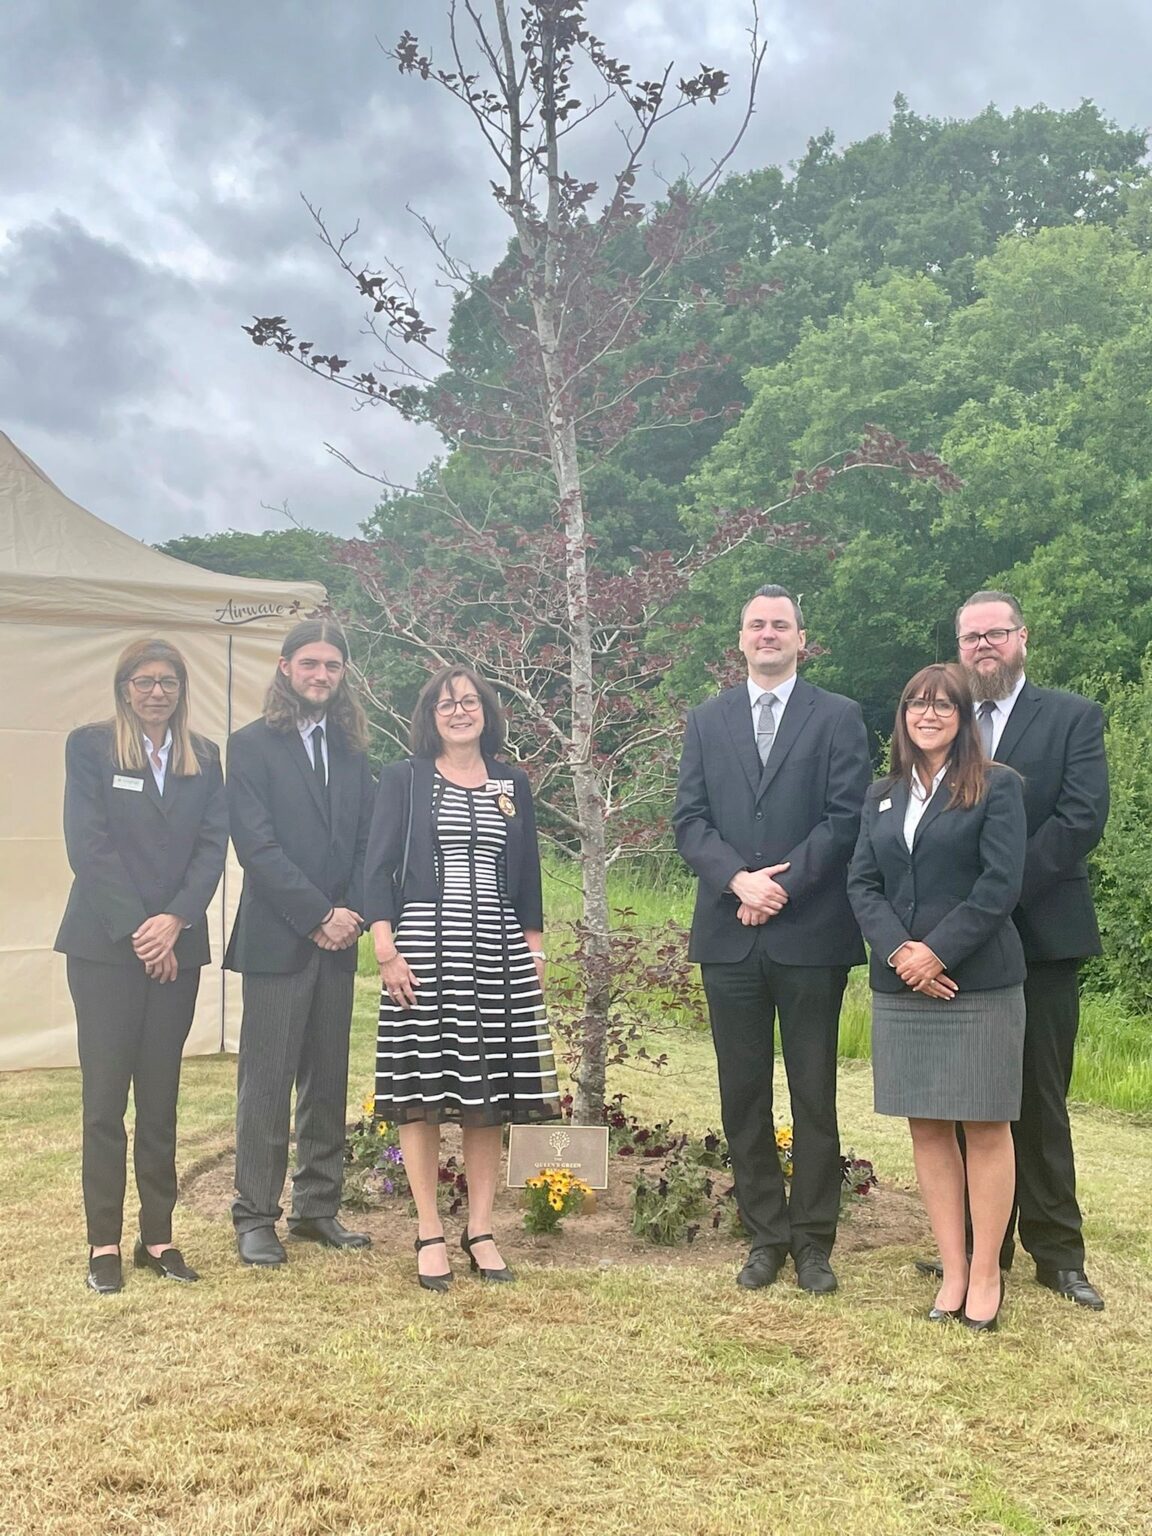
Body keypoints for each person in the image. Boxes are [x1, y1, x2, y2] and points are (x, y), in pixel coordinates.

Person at [673, 585, 871, 1295]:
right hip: (730, 939)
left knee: (815, 1095)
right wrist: (738, 882)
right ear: (740, 639)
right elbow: (690, 821)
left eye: (779, 625)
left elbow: (846, 819)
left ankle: (815, 1242)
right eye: (755, 624)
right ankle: (766, 1237)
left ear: (800, 638)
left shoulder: (840, 717)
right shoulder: (707, 720)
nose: (767, 634)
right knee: (742, 1095)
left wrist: (778, 888)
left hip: (811, 936)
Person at [926, 590, 1108, 1311]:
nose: (983, 647)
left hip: (1041, 937)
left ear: (1022, 638)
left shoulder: (1071, 717)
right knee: (971, 1097)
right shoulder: (940, 722)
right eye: (971, 637)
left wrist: (998, 896)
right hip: (962, 948)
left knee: (1039, 1098)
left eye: (995, 634)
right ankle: (974, 1251)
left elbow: (1080, 820)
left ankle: (1058, 1253)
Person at [364, 665, 560, 1291]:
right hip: (422, 948)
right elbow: (376, 868)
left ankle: (480, 1229)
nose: (458, 711)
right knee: (420, 1095)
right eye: (446, 703)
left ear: (487, 712)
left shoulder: (512, 782)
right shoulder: (405, 778)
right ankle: (428, 1231)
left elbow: (526, 873)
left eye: (469, 701)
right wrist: (386, 950)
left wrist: (533, 950)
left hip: (497, 947)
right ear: (430, 714)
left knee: (488, 1098)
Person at [848, 664, 1027, 1332]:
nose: (929, 713)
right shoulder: (882, 795)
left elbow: (999, 885)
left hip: (976, 984)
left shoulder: (998, 787)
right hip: (902, 984)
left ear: (963, 716)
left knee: (983, 1126)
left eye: (943, 704)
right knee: (926, 1127)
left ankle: (986, 1275)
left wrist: (938, 952)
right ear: (903, 715)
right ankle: (951, 1270)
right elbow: (863, 884)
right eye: (917, 703)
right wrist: (902, 953)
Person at [55, 638, 229, 1293]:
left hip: (175, 952)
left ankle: (158, 1238)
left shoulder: (204, 758)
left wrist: (174, 922)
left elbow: (212, 849)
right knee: (105, 1104)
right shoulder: (91, 748)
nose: (157, 692)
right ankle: (103, 1244)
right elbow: (88, 846)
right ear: (124, 686)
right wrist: (138, 928)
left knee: (160, 1102)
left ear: (182, 690)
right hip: (104, 949)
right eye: (144, 681)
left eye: (168, 682)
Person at [226, 619, 376, 1267]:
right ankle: (256, 1216)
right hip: (278, 939)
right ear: (286, 668)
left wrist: (353, 914)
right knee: (267, 1082)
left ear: (343, 676)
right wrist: (318, 913)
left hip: (339, 942)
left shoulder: (353, 750)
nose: (320, 675)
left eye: (332, 666)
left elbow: (371, 843)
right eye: (310, 663)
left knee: (326, 1081)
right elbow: (256, 845)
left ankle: (317, 1209)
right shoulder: (251, 746)